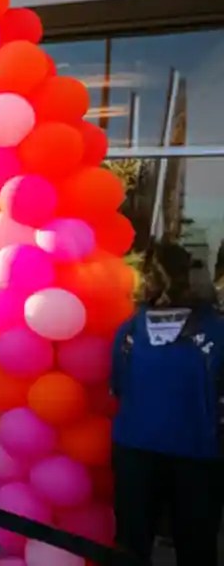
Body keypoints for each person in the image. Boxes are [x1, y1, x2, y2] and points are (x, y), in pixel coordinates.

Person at [111, 241, 224, 566]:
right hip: (199, 455)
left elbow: (119, 387)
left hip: (135, 450)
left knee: (131, 547)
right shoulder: (217, 331)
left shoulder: (129, 331)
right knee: (197, 548)